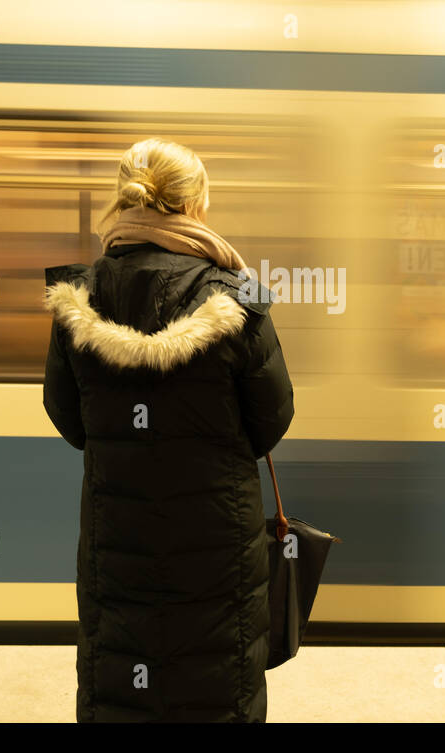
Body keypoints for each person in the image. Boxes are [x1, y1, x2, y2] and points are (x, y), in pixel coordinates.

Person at [42, 137, 294, 722]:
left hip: (118, 536)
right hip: (218, 544)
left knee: (121, 676)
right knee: (219, 676)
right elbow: (271, 421)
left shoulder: (79, 298)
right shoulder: (241, 300)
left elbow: (68, 418)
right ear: (196, 205)